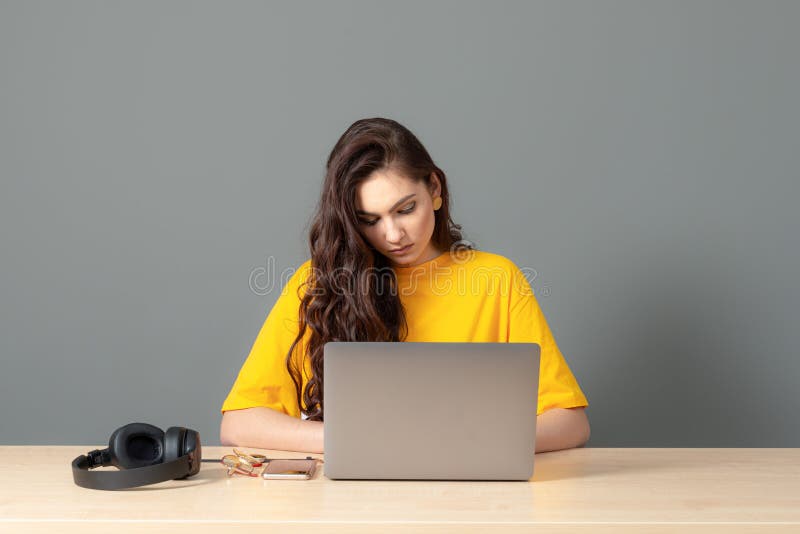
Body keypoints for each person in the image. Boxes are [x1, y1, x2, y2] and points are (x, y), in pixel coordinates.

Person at [220, 117, 589, 454]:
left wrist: (466, 442)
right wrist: (360, 439)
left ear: (434, 188)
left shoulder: (497, 280)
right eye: (370, 220)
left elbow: (570, 422)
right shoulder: (318, 284)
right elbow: (239, 422)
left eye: (405, 209)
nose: (393, 234)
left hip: (468, 496)